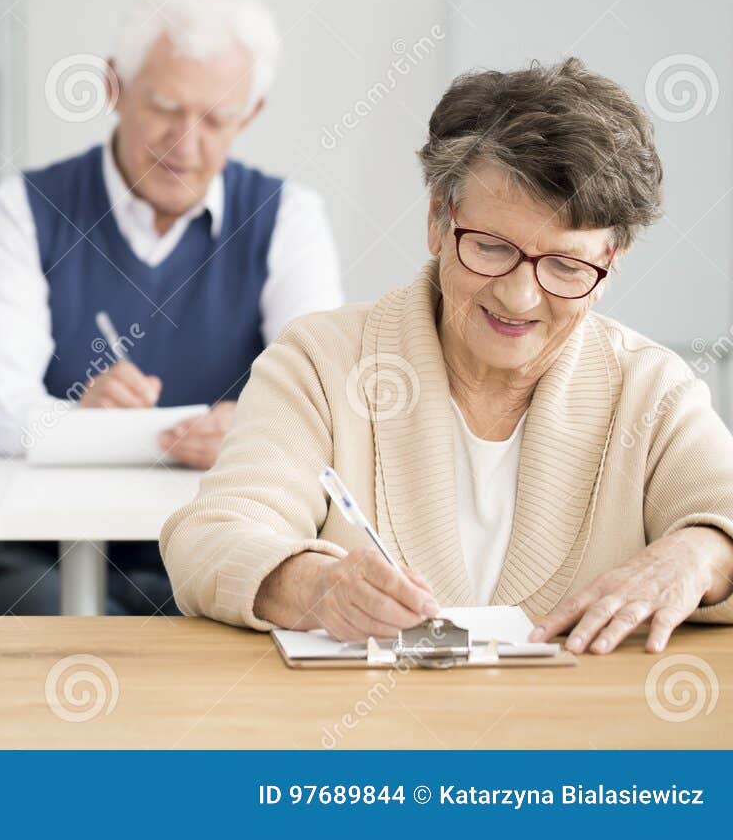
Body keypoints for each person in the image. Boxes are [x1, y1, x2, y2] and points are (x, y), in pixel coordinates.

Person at [162, 58, 733, 653]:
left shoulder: (651, 389)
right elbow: (210, 539)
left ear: (610, 263)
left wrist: (697, 556)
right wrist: (315, 586)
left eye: (566, 266)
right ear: (437, 219)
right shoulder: (321, 363)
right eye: (490, 248)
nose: (519, 296)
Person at [0, 0, 343, 614]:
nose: (186, 144)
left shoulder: (290, 219)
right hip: (47, 553)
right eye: (166, 108)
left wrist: (253, 432)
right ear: (114, 87)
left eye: (216, 119)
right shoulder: (25, 212)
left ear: (249, 116)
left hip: (226, 545)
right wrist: (78, 416)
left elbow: (324, 402)